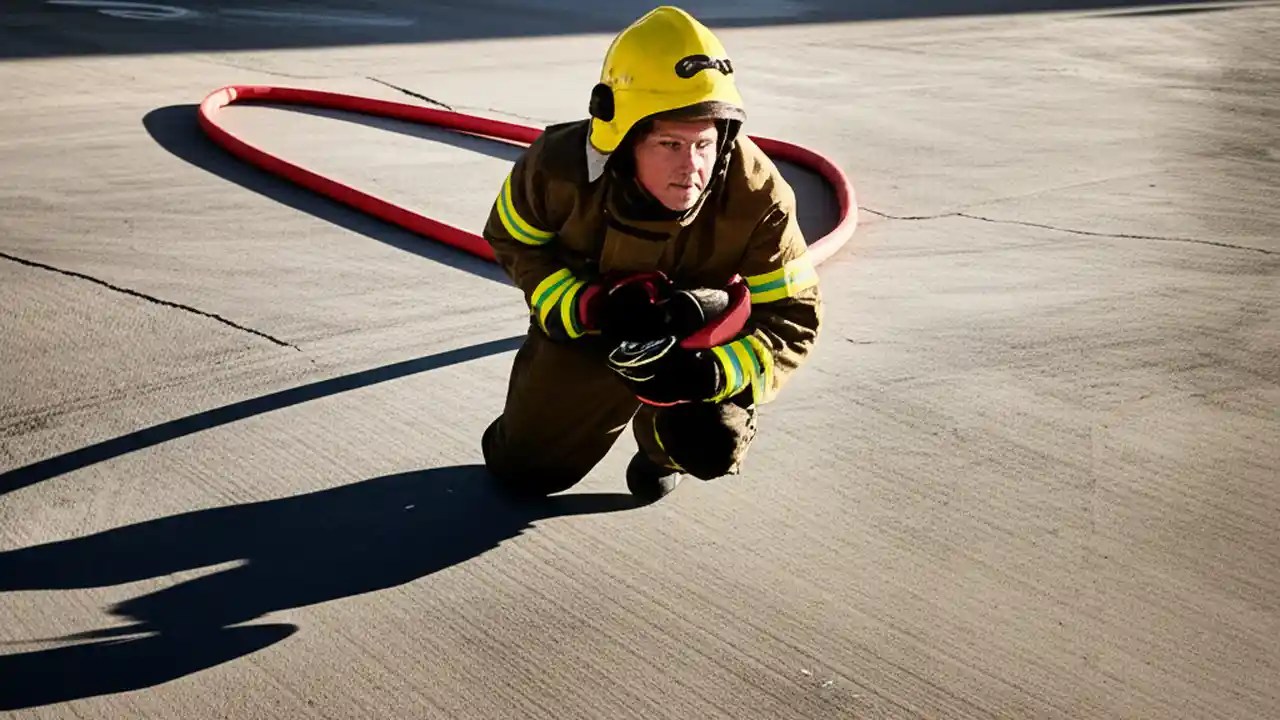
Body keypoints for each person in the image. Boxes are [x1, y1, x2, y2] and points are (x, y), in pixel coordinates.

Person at [480, 5, 823, 503]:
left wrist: (713, 372)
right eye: (669, 143)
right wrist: (584, 305)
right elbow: (513, 241)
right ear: (623, 139)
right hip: (592, 331)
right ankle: (529, 433)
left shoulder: (757, 193)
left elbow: (795, 316)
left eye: (704, 145)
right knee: (523, 475)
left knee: (710, 440)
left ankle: (662, 449)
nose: (692, 168)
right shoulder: (556, 168)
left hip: (697, 341)